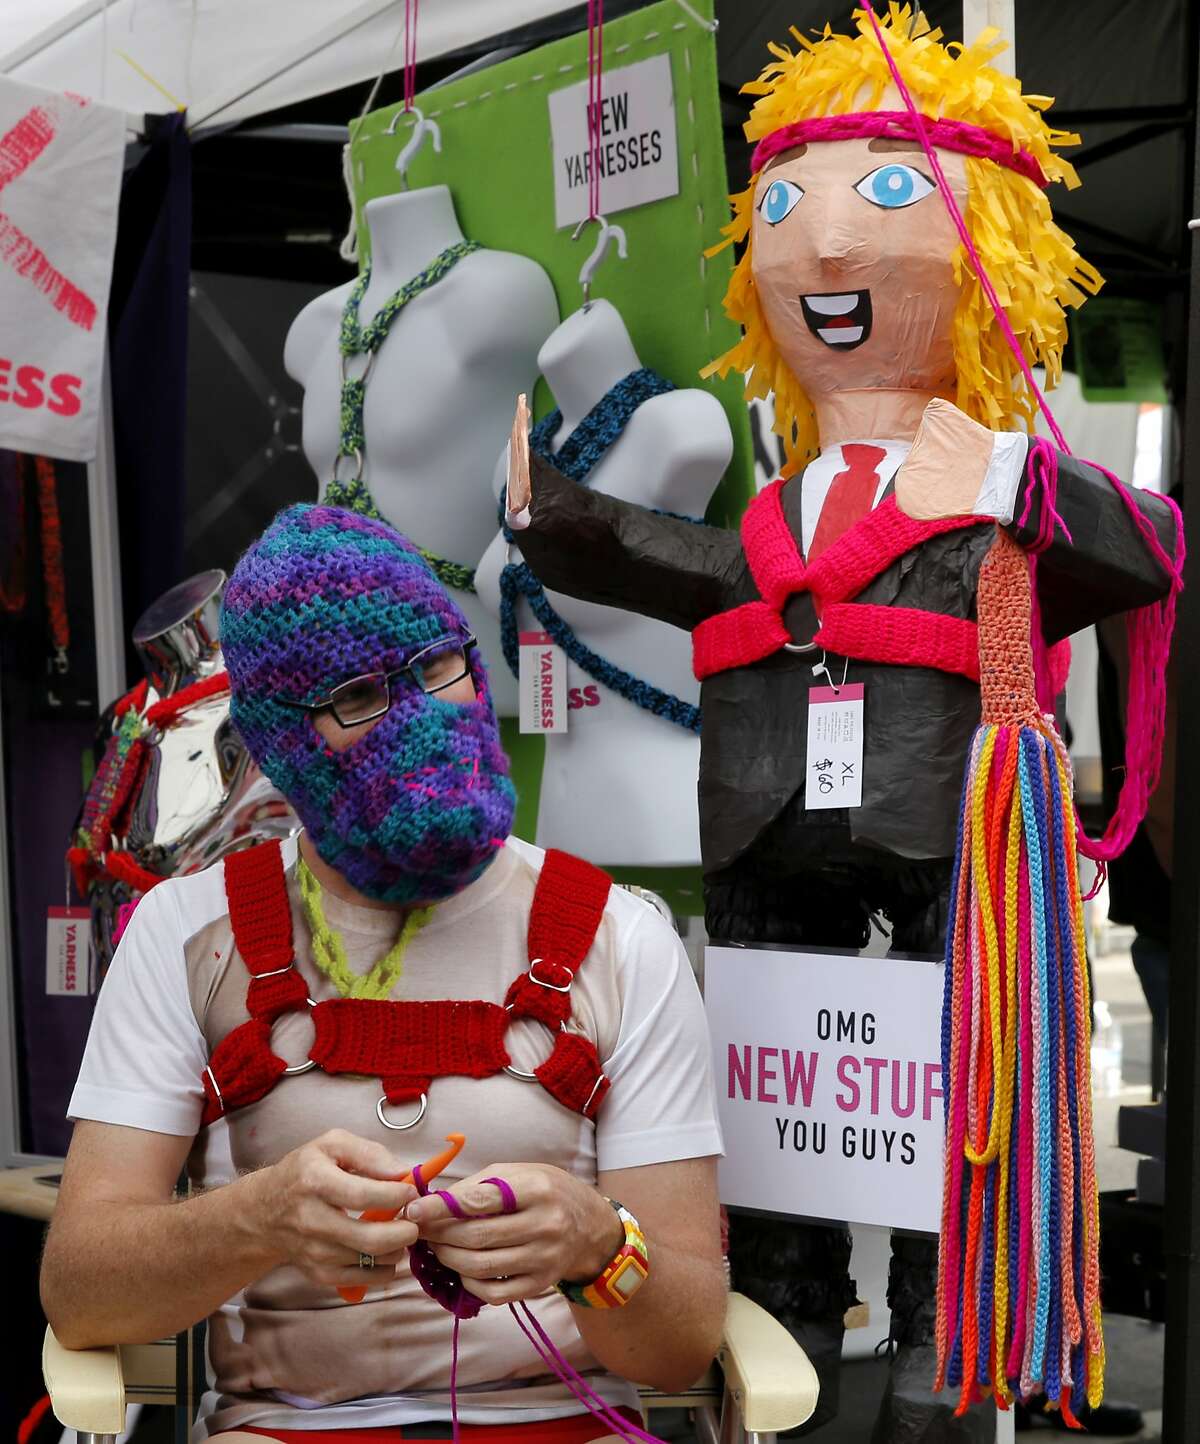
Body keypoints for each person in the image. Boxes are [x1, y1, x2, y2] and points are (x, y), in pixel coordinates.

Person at [505, 11, 1180, 1438]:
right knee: (772, 1101)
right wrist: (551, 516)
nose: (822, 250)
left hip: (944, 833)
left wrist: (1005, 470)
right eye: (785, 206)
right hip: (760, 821)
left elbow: (1150, 546)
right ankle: (794, 1312)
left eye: (886, 195)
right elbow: (670, 562)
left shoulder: (996, 483)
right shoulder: (766, 518)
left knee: (953, 1096)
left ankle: (947, 1333)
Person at [40, 503, 727, 1444]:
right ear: (280, 744)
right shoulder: (188, 933)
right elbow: (80, 1292)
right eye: (356, 697)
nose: (417, 717)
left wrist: (599, 1243)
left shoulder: (620, 937)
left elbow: (685, 1341)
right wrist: (259, 1217)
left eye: (437, 669)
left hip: (561, 1419)